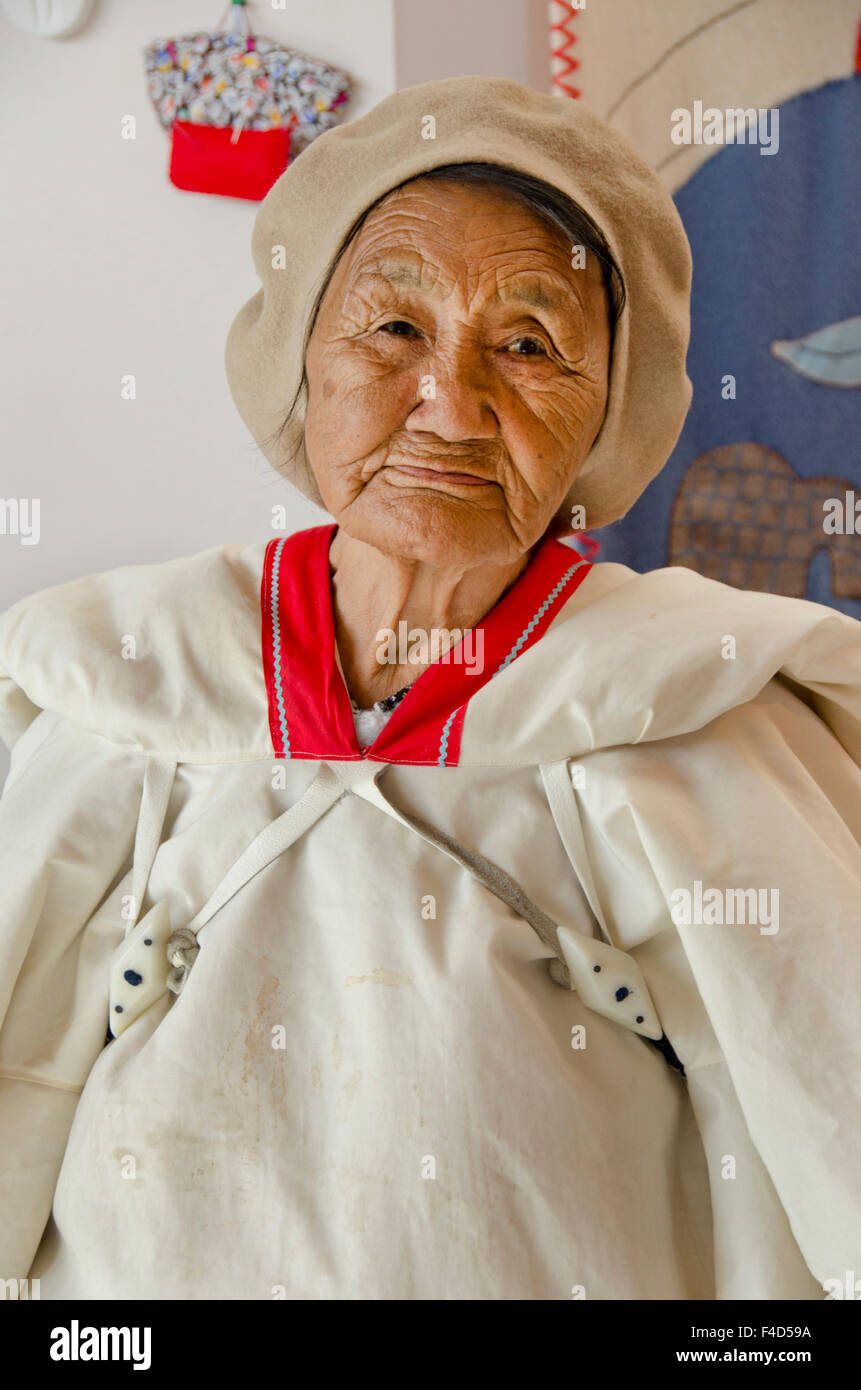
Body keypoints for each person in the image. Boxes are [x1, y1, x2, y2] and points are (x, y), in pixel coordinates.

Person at [1, 75, 859, 1301]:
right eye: (393, 327)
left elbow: (818, 1123)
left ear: (612, 406)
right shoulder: (133, 685)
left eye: (528, 343)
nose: (452, 401)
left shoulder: (700, 710)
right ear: (296, 354)